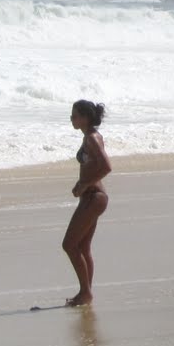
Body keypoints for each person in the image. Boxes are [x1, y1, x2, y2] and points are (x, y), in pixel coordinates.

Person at [64, 99, 111, 307]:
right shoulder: (90, 137)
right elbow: (93, 166)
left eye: (74, 115)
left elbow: (106, 166)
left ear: (84, 117)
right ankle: (86, 293)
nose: (71, 119)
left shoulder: (92, 138)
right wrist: (81, 183)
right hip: (92, 196)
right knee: (82, 246)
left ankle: (86, 293)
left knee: (69, 244)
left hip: (94, 197)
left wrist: (84, 185)